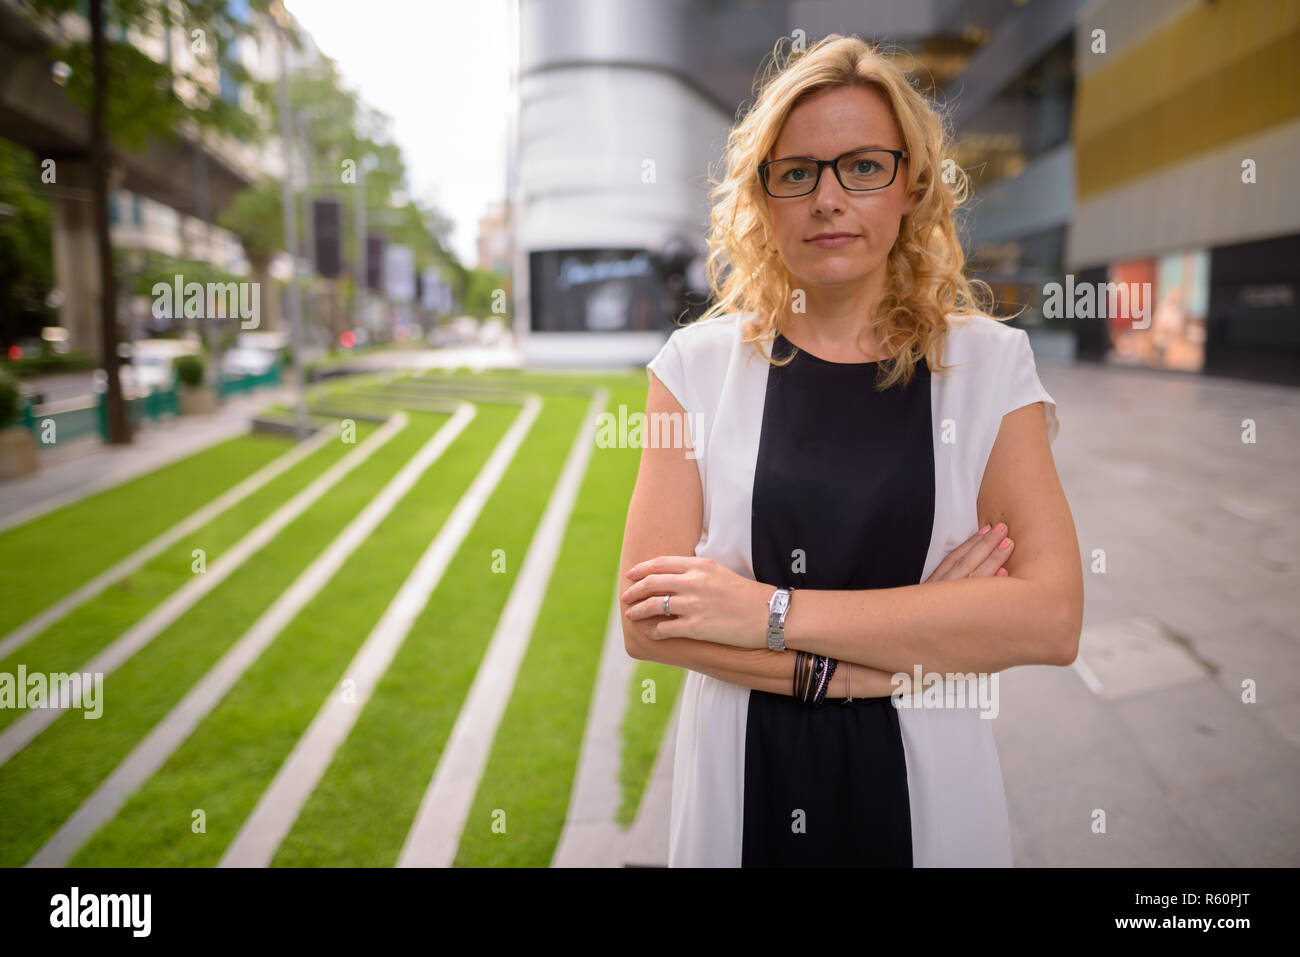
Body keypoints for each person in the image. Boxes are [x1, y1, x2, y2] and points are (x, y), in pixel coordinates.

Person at [617, 34, 1084, 867]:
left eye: (862, 165)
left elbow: (1050, 618)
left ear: (910, 184)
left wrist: (766, 613)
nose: (828, 197)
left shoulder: (988, 364)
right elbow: (649, 623)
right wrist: (894, 651)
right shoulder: (691, 370)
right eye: (797, 171)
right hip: (742, 781)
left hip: (931, 780)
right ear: (763, 196)